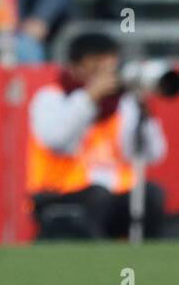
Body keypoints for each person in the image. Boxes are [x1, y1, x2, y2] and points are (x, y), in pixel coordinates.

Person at [28, 32, 167, 239]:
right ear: (76, 67)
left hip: (115, 193)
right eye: (96, 66)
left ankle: (145, 264)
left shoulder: (125, 103)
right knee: (98, 195)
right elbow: (57, 140)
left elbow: (154, 154)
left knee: (151, 194)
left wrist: (146, 116)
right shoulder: (52, 98)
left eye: (110, 65)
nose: (105, 73)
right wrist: (89, 98)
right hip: (62, 193)